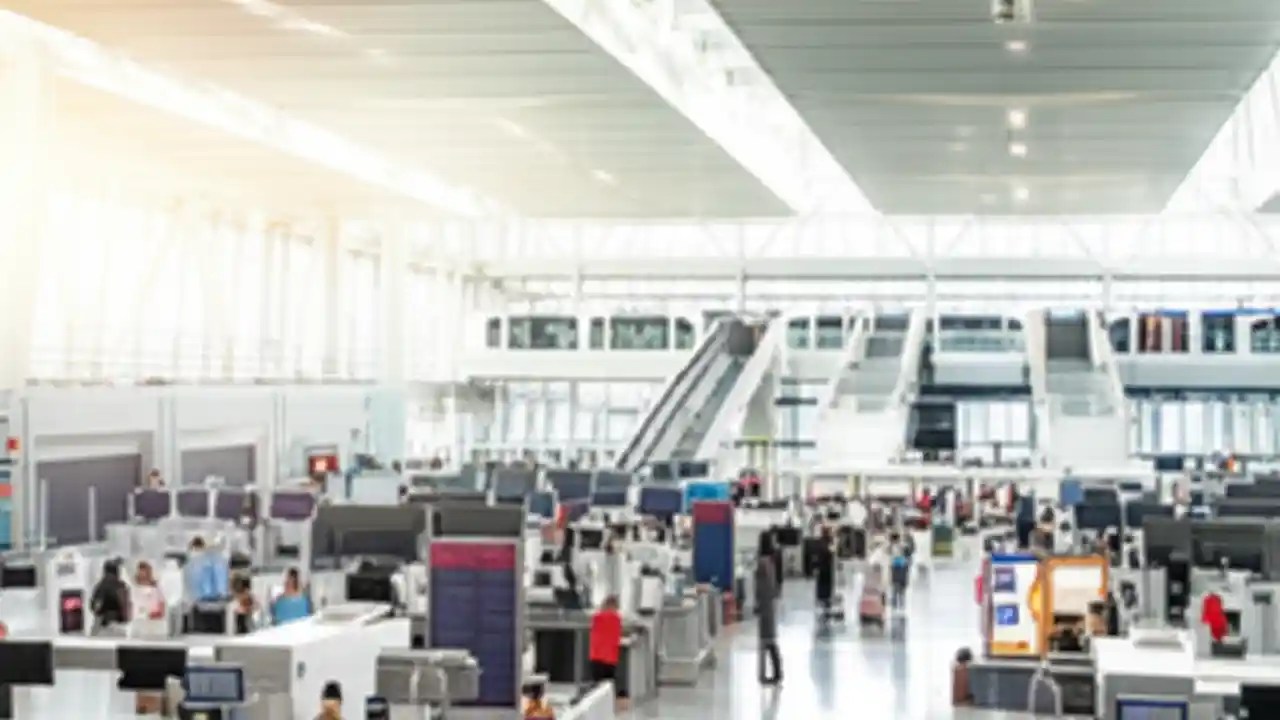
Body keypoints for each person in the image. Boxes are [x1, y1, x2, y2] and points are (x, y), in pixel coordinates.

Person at [755, 533, 782, 686]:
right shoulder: (770, 562)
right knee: (769, 640)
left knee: (766, 640)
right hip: (769, 604)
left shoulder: (762, 563)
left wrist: (759, 604)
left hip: (765, 605)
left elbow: (762, 587)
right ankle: (773, 672)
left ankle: (767, 674)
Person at [589, 595, 625, 704]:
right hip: (610, 658)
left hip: (596, 656)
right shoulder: (617, 618)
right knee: (608, 689)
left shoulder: (596, 617)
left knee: (597, 690)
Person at [90, 560, 130, 632]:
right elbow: (126, 605)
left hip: (105, 623)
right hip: (120, 624)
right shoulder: (121, 586)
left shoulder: (101, 586)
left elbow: (96, 606)